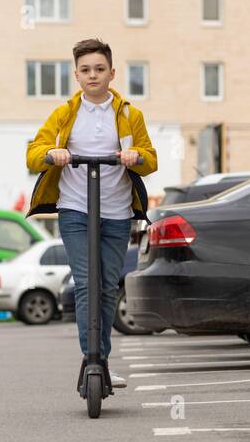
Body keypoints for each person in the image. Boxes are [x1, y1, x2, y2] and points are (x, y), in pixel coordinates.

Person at [25, 38, 158, 393]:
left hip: (116, 212)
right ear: (76, 75)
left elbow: (150, 159)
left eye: (99, 69)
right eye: (85, 70)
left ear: (112, 73)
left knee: (107, 287)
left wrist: (135, 157)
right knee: (86, 284)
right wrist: (52, 154)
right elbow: (33, 153)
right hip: (75, 210)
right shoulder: (65, 114)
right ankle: (92, 358)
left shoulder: (129, 114)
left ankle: (102, 360)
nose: (93, 75)